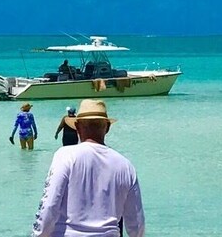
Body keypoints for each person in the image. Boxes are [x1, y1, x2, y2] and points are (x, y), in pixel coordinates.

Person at [32, 99, 144, 237]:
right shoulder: (126, 166)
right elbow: (137, 225)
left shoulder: (64, 156)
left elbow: (49, 206)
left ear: (77, 127)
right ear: (107, 127)